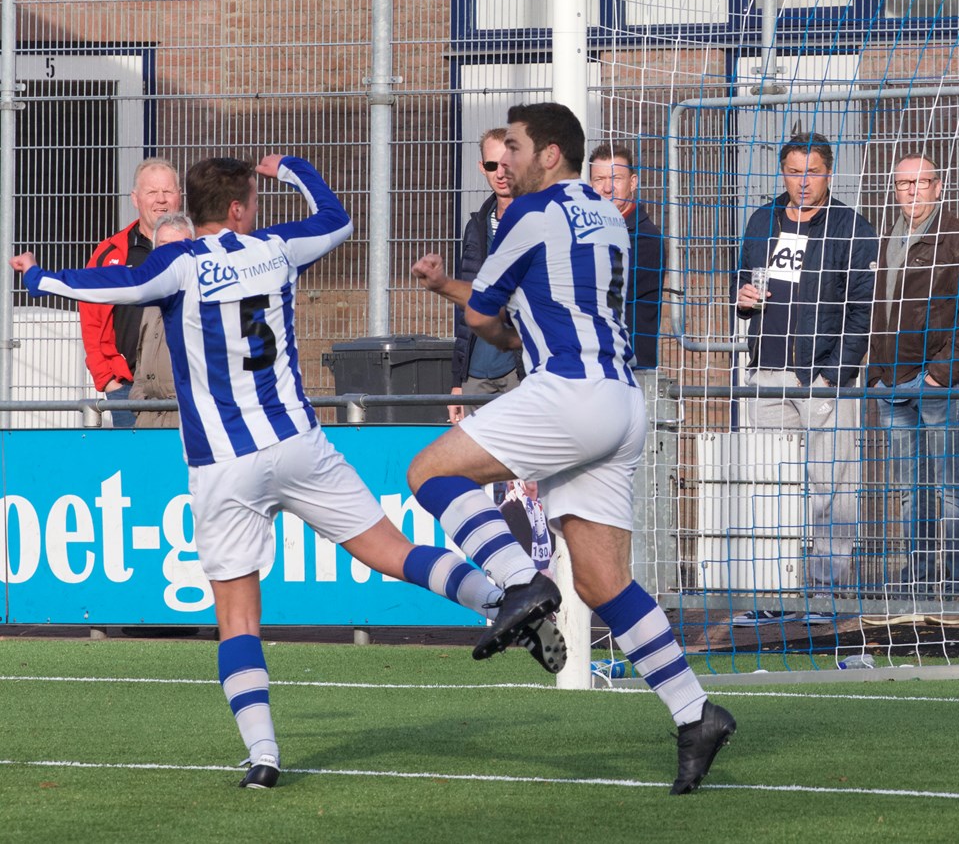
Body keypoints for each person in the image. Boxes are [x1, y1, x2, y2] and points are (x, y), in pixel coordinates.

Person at [9, 153, 559, 791]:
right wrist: (291, 167)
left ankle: (263, 757)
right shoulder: (274, 248)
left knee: (237, 619)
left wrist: (41, 277)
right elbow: (337, 219)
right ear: (240, 208)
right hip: (297, 443)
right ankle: (503, 596)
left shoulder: (179, 262)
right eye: (254, 200)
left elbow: (114, 287)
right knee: (391, 550)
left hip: (226, 464)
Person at [409, 101, 736, 795]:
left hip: (569, 391)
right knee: (604, 582)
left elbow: (482, 317)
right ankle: (695, 713)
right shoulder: (607, 214)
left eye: (516, 149)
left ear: (550, 153)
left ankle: (519, 581)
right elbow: (519, 324)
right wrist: (475, 300)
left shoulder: (525, 215)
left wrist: (446, 287)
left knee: (430, 470)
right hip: (622, 400)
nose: (506, 164)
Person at [735, 133, 878, 590]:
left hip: (822, 377)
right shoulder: (762, 221)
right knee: (769, 488)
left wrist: (833, 373)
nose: (802, 183)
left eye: (812, 173)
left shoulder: (851, 227)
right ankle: (771, 586)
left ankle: (826, 590)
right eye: (794, 172)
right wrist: (742, 300)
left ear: (829, 174)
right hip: (766, 373)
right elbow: (743, 280)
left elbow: (864, 311)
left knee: (830, 490)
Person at [866, 152, 959, 595]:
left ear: (938, 188)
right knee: (910, 492)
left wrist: (940, 374)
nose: (912, 191)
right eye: (904, 183)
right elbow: (877, 313)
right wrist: (877, 373)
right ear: (895, 190)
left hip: (940, 384)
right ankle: (918, 580)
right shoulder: (888, 239)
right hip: (892, 384)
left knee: (952, 488)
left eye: (921, 183)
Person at [80, 157, 181, 427]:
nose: (161, 200)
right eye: (152, 192)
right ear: (135, 199)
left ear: (179, 196)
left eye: (168, 191)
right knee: (136, 467)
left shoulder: (198, 249)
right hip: (126, 387)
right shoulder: (110, 253)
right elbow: (91, 320)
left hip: (185, 384)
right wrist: (108, 380)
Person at [448, 128, 524, 425]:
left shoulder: (542, 218)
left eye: (507, 164)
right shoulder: (476, 226)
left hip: (521, 370)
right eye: (492, 166)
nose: (501, 174)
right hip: (476, 372)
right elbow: (463, 303)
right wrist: (457, 380)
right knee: (479, 465)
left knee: (526, 465)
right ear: (482, 168)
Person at [588, 144, 664, 371]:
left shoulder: (646, 238)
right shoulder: (588, 231)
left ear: (632, 183)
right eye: (599, 179)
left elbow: (602, 294)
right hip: (592, 362)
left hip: (630, 365)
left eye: (615, 178)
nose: (607, 188)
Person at [128, 212, 195, 428]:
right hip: (148, 423)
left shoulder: (202, 298)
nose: (169, 253)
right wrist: (139, 403)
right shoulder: (150, 298)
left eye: (178, 245)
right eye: (163, 245)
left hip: (186, 421)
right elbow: (140, 364)